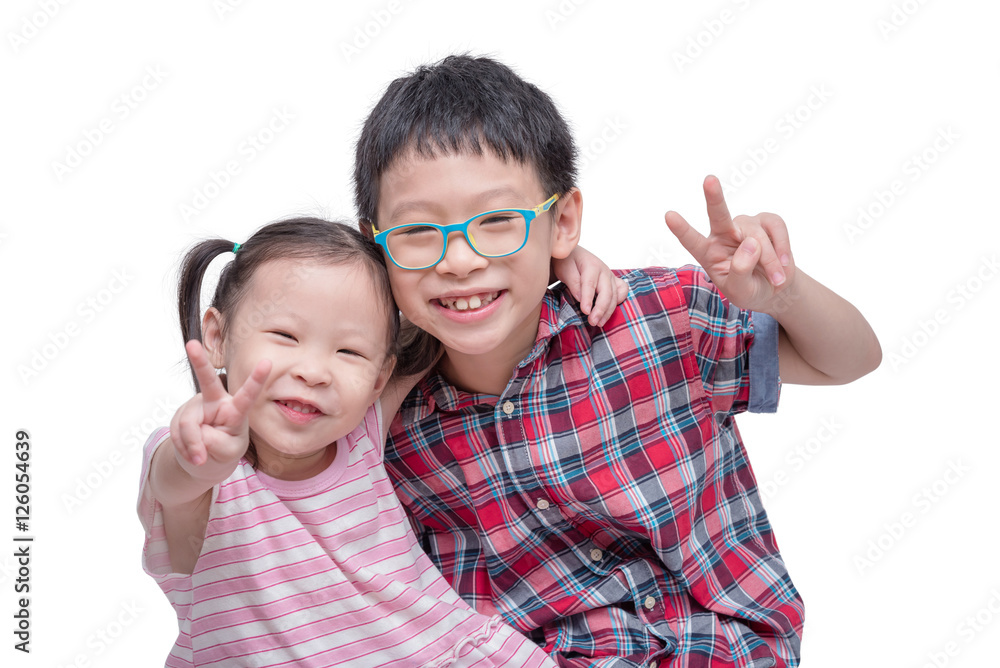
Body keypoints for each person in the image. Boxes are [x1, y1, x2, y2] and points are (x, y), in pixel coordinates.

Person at [354, 54, 883, 667]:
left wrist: (781, 295)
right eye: (417, 232)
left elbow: (851, 361)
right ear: (376, 247)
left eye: (498, 221)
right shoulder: (380, 422)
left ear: (563, 222)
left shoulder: (659, 318)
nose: (460, 260)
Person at [137, 217, 624, 667]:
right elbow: (176, 479)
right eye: (285, 335)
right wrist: (200, 457)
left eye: (349, 351)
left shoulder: (361, 436)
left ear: (378, 378)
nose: (314, 371)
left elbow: (446, 314)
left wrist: (552, 262)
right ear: (217, 336)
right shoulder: (206, 485)